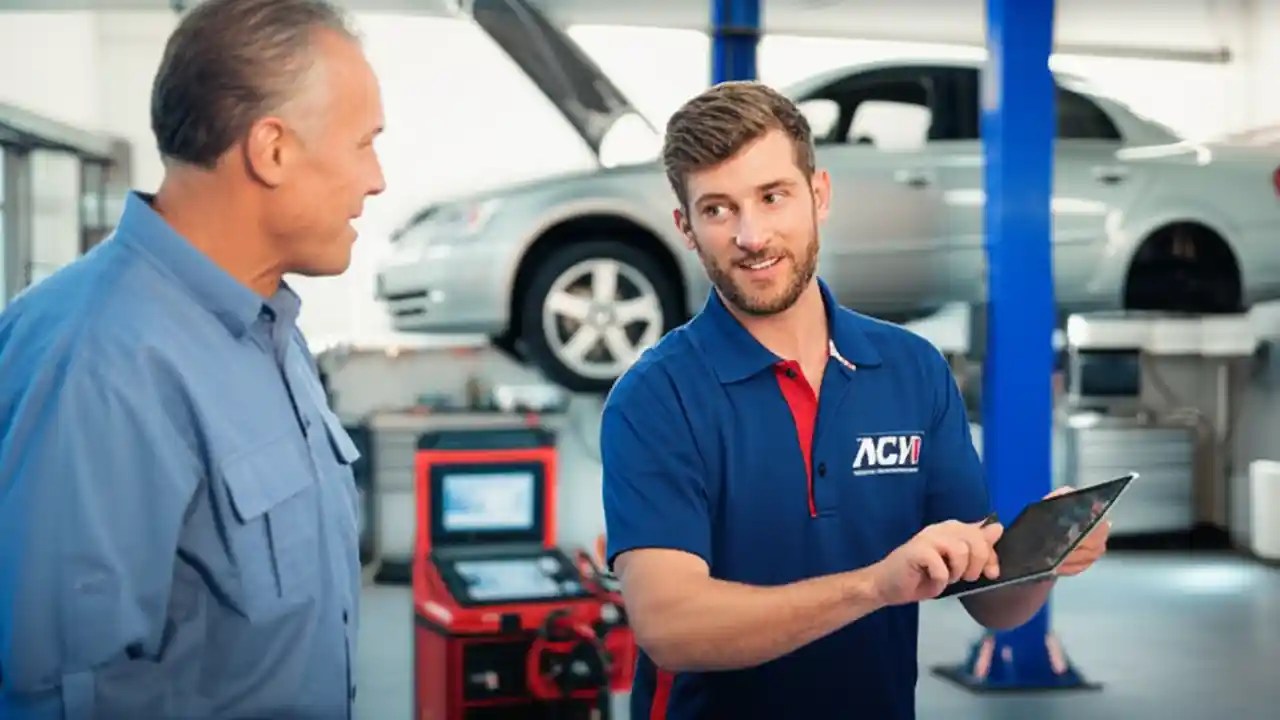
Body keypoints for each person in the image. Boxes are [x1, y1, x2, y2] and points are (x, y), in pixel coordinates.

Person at [599, 81, 1109, 720]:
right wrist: (875, 586)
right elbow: (671, 626)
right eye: (718, 209)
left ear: (819, 195)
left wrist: (1044, 558)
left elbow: (990, 603)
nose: (752, 235)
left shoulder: (911, 370)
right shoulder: (656, 397)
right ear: (687, 228)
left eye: (773, 196)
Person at [0, 0, 385, 717]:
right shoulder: (96, 361)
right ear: (272, 149)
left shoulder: (270, 331)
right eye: (364, 143)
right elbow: (60, 695)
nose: (377, 179)